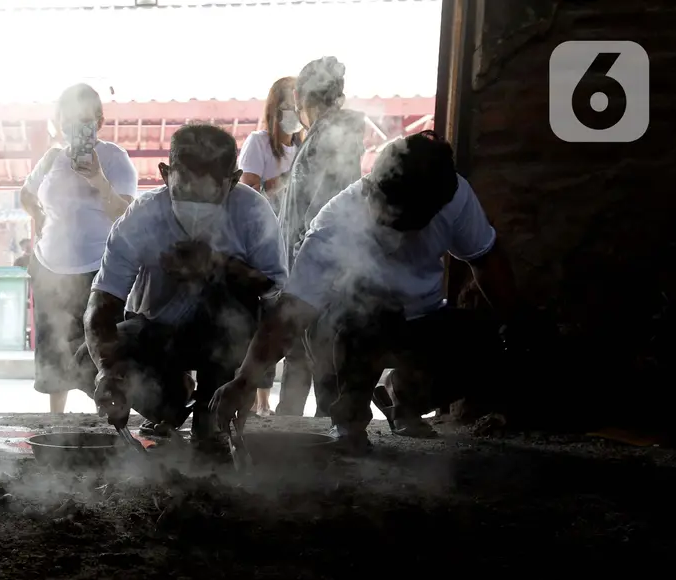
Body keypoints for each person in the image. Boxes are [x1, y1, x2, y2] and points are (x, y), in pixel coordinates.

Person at [211, 131, 519, 452]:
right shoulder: (334, 223)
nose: (398, 230)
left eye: (412, 222)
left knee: (493, 342)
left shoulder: (452, 196)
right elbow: (293, 311)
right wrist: (245, 380)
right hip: (347, 329)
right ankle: (348, 419)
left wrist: (515, 321)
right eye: (391, 217)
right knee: (367, 315)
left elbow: (485, 257)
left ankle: (403, 395)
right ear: (371, 188)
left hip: (422, 320)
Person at [77, 124, 289, 454]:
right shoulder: (142, 217)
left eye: (209, 191)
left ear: (232, 181)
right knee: (84, 358)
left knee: (230, 301)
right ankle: (171, 404)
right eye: (185, 186)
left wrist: (219, 265)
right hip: (156, 331)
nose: (195, 200)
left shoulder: (252, 212)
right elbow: (102, 303)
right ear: (165, 174)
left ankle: (212, 410)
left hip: (226, 341)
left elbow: (276, 296)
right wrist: (109, 372)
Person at [21, 83, 139, 414]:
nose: (76, 126)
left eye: (84, 120)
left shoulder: (115, 158)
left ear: (99, 121)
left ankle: (109, 416)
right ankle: (55, 422)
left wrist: (98, 179)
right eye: (69, 119)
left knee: (100, 347)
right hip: (49, 269)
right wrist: (37, 215)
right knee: (53, 347)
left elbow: (126, 214)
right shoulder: (51, 158)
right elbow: (26, 193)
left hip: (98, 270)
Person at [274, 56, 368, 418]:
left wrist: (301, 269)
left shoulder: (332, 136)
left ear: (299, 96)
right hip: (307, 271)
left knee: (323, 361)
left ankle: (331, 445)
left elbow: (323, 213)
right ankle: (290, 435)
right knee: (300, 359)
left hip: (319, 273)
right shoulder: (321, 136)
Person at [238, 76, 306, 417]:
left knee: (291, 328)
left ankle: (278, 409)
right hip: (265, 247)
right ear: (274, 110)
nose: (293, 113)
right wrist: (285, 182)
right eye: (286, 107)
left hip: (297, 246)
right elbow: (246, 191)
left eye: (297, 106)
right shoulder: (258, 143)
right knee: (261, 321)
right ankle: (254, 402)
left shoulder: (306, 146)